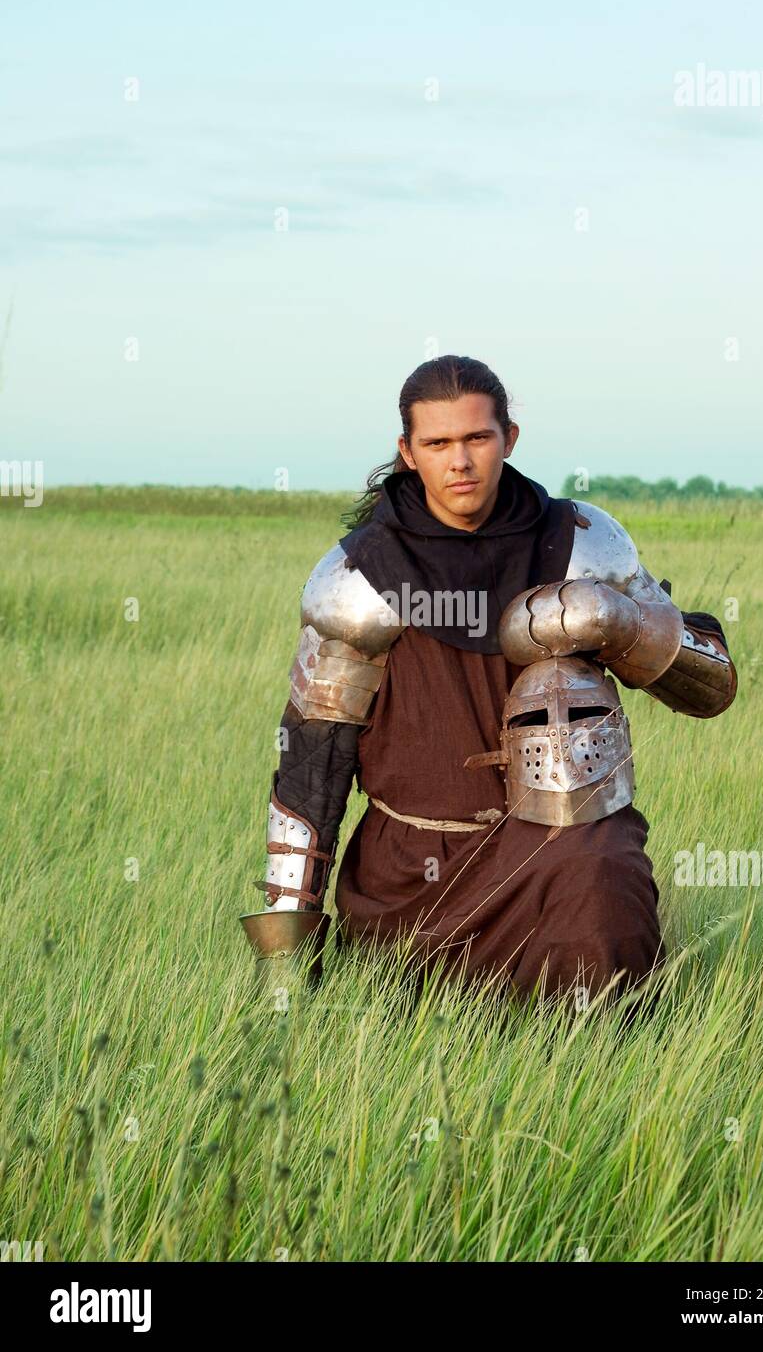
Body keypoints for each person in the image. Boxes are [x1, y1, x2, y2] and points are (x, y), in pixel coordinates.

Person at [240, 356, 737, 1009]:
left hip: (558, 840)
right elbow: (311, 775)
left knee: (602, 871)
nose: (460, 461)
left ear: (509, 438)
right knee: (409, 1008)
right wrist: (285, 966)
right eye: (438, 443)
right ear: (408, 452)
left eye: (477, 438)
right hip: (413, 866)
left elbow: (710, 686)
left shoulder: (581, 543)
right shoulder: (359, 578)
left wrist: (618, 620)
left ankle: (607, 1074)